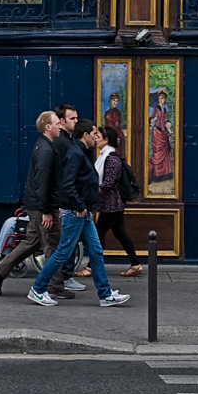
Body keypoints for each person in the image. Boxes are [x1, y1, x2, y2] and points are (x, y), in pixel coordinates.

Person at [27, 120, 132, 308]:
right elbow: (67, 183)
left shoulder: (82, 152)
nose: (96, 137)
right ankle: (38, 289)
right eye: (94, 134)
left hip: (83, 212)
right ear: (85, 135)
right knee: (62, 252)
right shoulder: (76, 154)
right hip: (76, 213)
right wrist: (80, 206)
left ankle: (105, 294)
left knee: (96, 251)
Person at [0, 110, 63, 296]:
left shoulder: (42, 146)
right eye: (57, 123)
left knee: (32, 242)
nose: (60, 126)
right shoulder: (46, 150)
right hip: (42, 207)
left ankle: (0, 270)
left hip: (37, 205)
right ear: (48, 127)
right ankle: (54, 287)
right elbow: (42, 183)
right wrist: (47, 210)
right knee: (52, 246)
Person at [95, 125, 142, 277]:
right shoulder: (104, 156)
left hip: (112, 204)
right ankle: (135, 264)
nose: (95, 139)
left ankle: (92, 266)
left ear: (106, 140)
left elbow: (108, 183)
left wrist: (91, 190)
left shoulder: (111, 158)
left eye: (98, 136)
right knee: (119, 232)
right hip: (111, 203)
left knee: (98, 233)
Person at [52, 104, 88, 290]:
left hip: (69, 201)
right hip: (67, 202)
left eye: (76, 118)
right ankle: (62, 278)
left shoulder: (68, 142)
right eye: (72, 119)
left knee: (68, 242)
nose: (76, 121)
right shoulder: (64, 144)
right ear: (62, 121)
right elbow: (62, 177)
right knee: (66, 243)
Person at [148, 88, 173, 182]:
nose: (161, 100)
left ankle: (164, 174)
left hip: (163, 133)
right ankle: (154, 174)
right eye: (160, 98)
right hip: (156, 132)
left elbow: (165, 121)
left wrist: (168, 125)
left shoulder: (165, 110)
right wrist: (153, 120)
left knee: (164, 152)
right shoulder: (156, 109)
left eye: (162, 98)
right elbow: (151, 119)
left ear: (165, 99)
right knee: (157, 152)